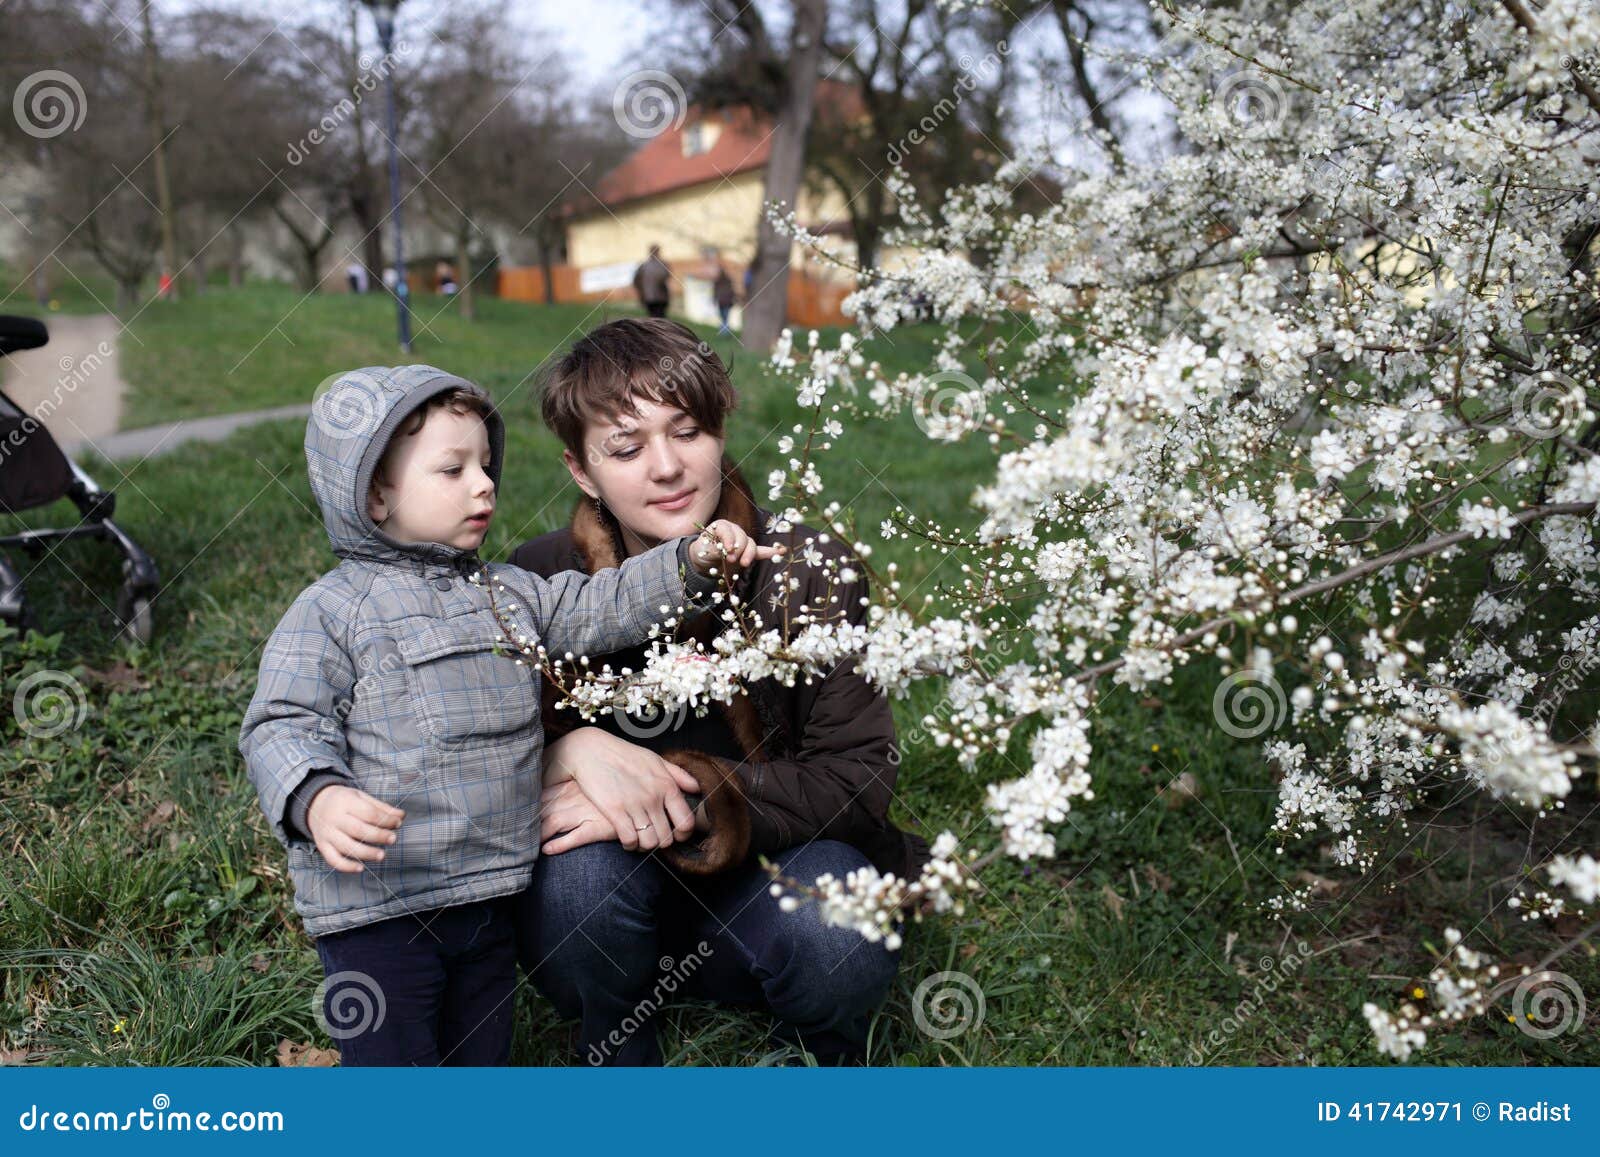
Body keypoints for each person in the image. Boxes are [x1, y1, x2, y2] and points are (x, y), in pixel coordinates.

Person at [239, 363, 779, 1066]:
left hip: (490, 896)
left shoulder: (511, 595)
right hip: (381, 906)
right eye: (452, 470)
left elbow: (603, 604)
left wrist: (690, 564)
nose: (484, 485)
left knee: (482, 1053)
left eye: (485, 466)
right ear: (374, 493)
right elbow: (281, 720)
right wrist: (316, 795)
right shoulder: (333, 611)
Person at [510, 318, 928, 1066]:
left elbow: (857, 777)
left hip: (778, 869)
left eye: (689, 432)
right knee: (567, 885)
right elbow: (480, 760)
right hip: (615, 883)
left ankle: (810, 1039)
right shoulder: (542, 578)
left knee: (838, 928)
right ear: (582, 470)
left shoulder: (808, 568)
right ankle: (616, 1026)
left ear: (720, 431)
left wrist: (695, 792)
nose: (668, 467)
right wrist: (569, 751)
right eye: (627, 448)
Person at [632, 244, 672, 318]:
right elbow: (666, 276)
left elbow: (636, 282)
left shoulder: (644, 265)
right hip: (658, 297)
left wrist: (642, 293)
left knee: (655, 318)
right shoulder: (662, 265)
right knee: (658, 318)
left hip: (653, 297)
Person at [712, 264, 736, 334]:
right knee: (724, 317)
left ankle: (725, 331)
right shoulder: (718, 282)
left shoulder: (727, 281)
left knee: (724, 317)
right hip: (723, 302)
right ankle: (724, 330)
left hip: (725, 302)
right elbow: (715, 291)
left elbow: (731, 291)